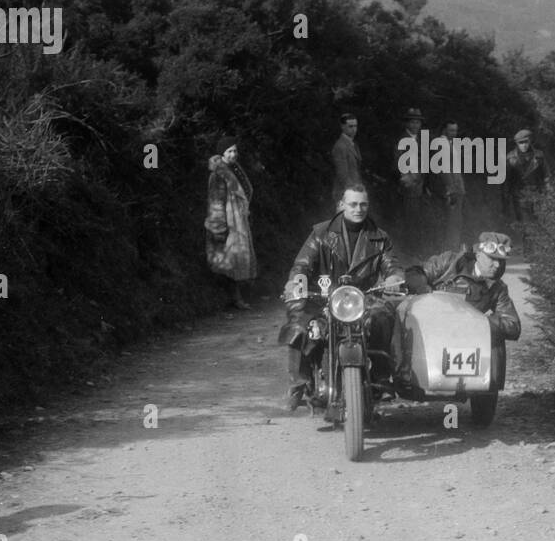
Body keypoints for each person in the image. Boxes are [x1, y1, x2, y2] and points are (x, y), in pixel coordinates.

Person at [278, 182, 405, 411]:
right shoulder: (321, 234)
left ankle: (381, 377)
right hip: (324, 298)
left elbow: (391, 265)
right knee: (301, 323)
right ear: (341, 205)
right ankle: (298, 383)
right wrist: (295, 281)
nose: (359, 209)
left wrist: (394, 278)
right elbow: (302, 264)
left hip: (363, 299)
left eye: (363, 204)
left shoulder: (379, 237)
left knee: (384, 316)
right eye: (353, 204)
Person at [395, 231, 521, 385]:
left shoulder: (498, 288)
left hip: (462, 339)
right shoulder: (450, 262)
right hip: (429, 327)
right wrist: (423, 287)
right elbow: (414, 273)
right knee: (397, 313)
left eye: (502, 261)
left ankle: (485, 390)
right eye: (492, 259)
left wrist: (482, 323)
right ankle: (398, 372)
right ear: (478, 255)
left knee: (495, 340)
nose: (497, 265)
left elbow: (513, 325)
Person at [205, 135, 256, 310]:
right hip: (227, 222)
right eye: (229, 151)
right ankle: (232, 299)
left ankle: (236, 298)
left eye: (235, 150)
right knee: (228, 262)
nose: (233, 154)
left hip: (238, 220)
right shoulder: (219, 175)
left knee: (235, 261)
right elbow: (216, 202)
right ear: (222, 154)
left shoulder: (234, 169)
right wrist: (219, 227)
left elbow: (245, 191)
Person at [503, 128, 550, 249]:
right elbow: (506, 181)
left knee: (539, 222)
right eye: (520, 142)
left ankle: (540, 250)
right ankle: (529, 251)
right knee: (525, 223)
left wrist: (549, 192)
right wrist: (506, 198)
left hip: (537, 193)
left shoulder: (539, 156)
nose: (523, 145)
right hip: (519, 195)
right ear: (517, 143)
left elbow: (546, 176)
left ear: (530, 141)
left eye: (525, 142)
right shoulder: (510, 158)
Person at [395, 107, 428, 253]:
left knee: (418, 221)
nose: (415, 125)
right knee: (409, 222)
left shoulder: (420, 140)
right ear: (406, 124)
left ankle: (416, 251)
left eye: (418, 123)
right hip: (408, 188)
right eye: (412, 122)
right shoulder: (402, 141)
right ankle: (409, 253)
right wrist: (410, 182)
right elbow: (399, 165)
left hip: (420, 187)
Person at [430, 119, 465, 251]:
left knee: (455, 222)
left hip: (457, 187)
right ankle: (450, 252)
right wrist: (451, 190)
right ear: (444, 130)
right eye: (451, 130)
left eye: (455, 130)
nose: (454, 133)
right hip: (450, 190)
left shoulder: (451, 144)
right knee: (451, 223)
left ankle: (451, 250)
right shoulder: (441, 144)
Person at [330, 113, 362, 202]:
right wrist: (353, 190)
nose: (354, 129)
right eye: (350, 126)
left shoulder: (353, 144)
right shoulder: (340, 146)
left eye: (355, 126)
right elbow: (342, 174)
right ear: (342, 127)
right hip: (345, 192)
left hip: (355, 191)